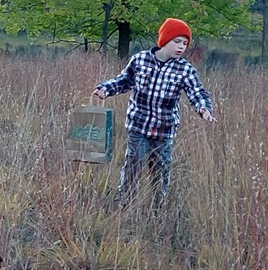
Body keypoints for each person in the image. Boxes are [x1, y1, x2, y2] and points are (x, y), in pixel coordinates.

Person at [92, 17, 217, 206]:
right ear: (165, 40)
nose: (181, 47)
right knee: (134, 164)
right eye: (177, 41)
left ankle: (158, 206)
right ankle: (124, 202)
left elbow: (196, 92)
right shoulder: (140, 60)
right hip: (138, 125)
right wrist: (105, 89)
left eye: (185, 43)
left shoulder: (185, 69)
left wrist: (203, 109)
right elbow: (123, 81)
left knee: (161, 169)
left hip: (164, 129)